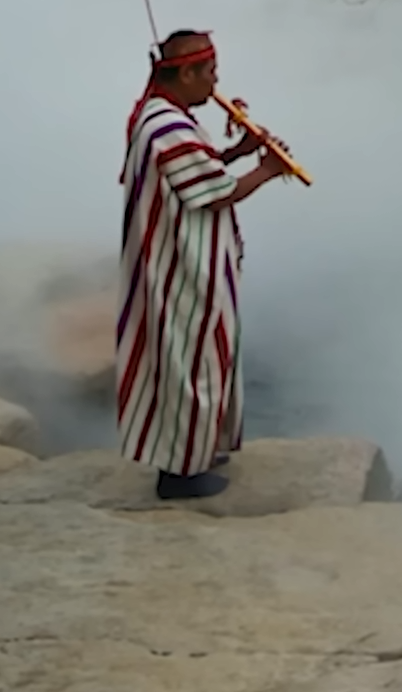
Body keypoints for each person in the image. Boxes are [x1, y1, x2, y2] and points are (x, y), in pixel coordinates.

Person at [116, 29, 293, 499]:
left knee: (202, 354)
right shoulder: (167, 127)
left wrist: (238, 152)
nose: (216, 83)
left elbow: (200, 169)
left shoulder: (164, 116)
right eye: (209, 72)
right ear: (187, 74)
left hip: (186, 258)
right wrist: (267, 170)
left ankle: (198, 448)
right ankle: (180, 472)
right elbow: (216, 192)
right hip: (181, 264)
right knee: (190, 360)